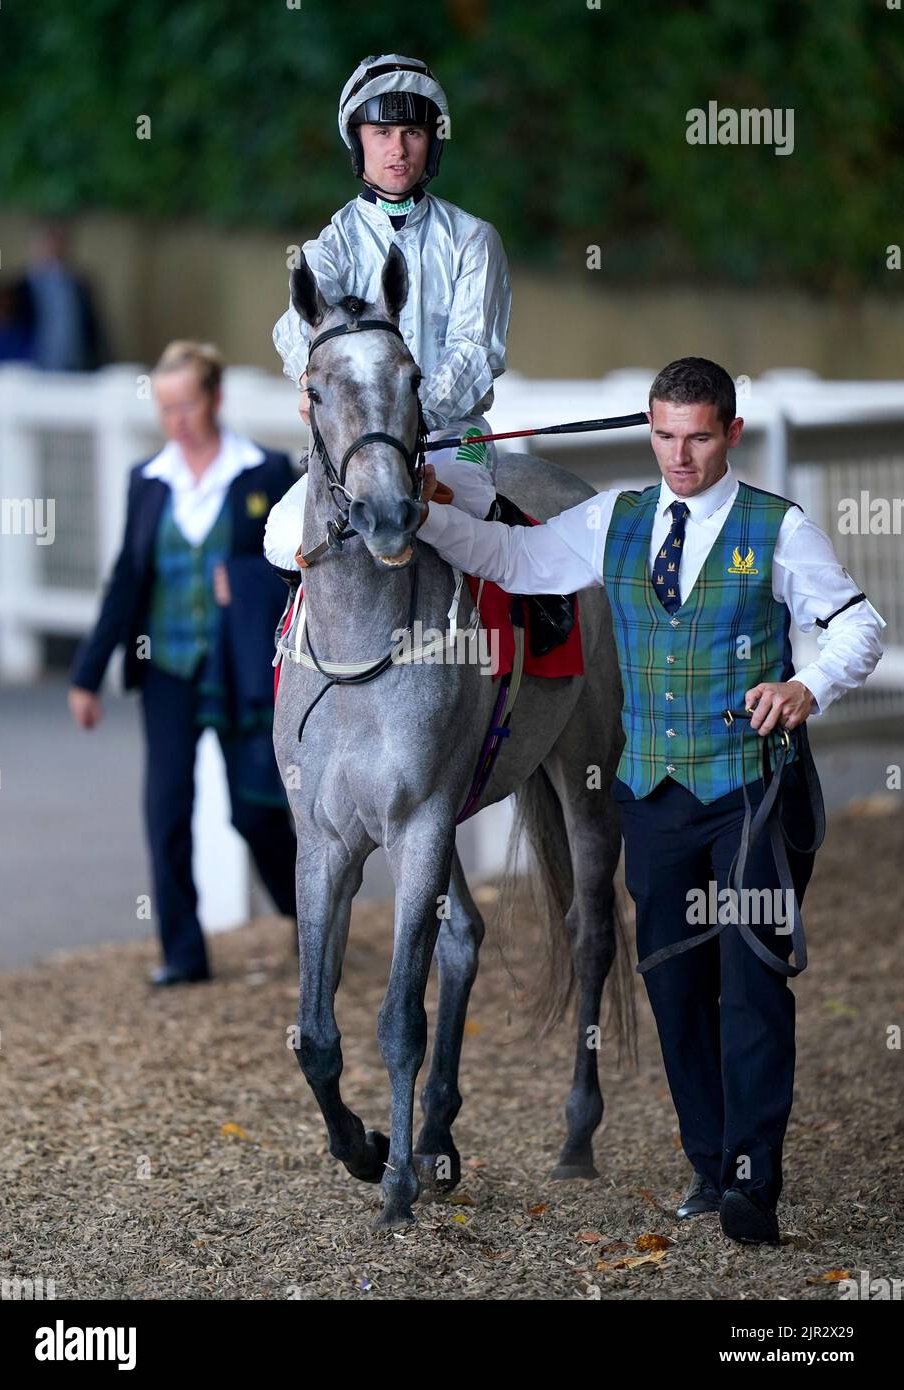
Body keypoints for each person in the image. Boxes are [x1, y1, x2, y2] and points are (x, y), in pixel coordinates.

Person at [413, 356, 886, 1246]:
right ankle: (706, 1168)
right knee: (674, 987)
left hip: (750, 792)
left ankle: (752, 1177)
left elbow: (858, 623)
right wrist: (427, 511)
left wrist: (807, 686)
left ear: (729, 434)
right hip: (655, 795)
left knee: (752, 983)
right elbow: (514, 560)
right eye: (664, 435)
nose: (678, 455)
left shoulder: (774, 529)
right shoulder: (614, 519)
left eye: (698, 436)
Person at [68, 341, 300, 986]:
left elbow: (299, 560)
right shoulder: (148, 481)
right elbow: (127, 580)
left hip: (240, 670)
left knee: (254, 808)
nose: (177, 419)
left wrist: (247, 575)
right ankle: (183, 953)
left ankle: (305, 915)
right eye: (165, 407)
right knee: (166, 808)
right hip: (166, 665)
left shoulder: (265, 470)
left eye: (187, 404)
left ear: (215, 399)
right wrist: (86, 675)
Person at [265, 53, 511, 572]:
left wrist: (412, 419)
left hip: (450, 436)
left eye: (412, 132)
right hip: (359, 438)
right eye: (381, 132)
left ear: (432, 142)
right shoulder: (330, 244)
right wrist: (310, 383)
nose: (398, 149)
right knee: (282, 536)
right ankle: (289, 647)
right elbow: (294, 327)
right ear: (359, 142)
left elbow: (474, 352)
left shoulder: (474, 240)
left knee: (466, 513)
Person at [14, 220, 109, 372]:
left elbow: (94, 329)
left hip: (76, 366)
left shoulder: (79, 284)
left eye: (57, 242)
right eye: (48, 242)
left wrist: (102, 361)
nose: (53, 248)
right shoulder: (20, 287)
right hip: (33, 368)